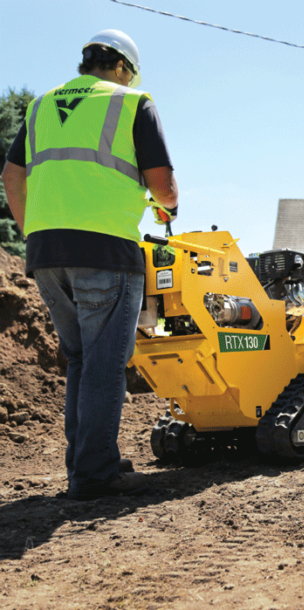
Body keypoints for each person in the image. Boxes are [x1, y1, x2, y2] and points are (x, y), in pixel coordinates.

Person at [1, 30, 178, 500]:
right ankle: (96, 474)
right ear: (122, 67)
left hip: (46, 252)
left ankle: (85, 465)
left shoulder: (41, 106)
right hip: (105, 251)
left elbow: (11, 176)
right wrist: (168, 206)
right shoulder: (132, 102)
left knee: (81, 358)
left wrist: (30, 231)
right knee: (104, 364)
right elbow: (164, 186)